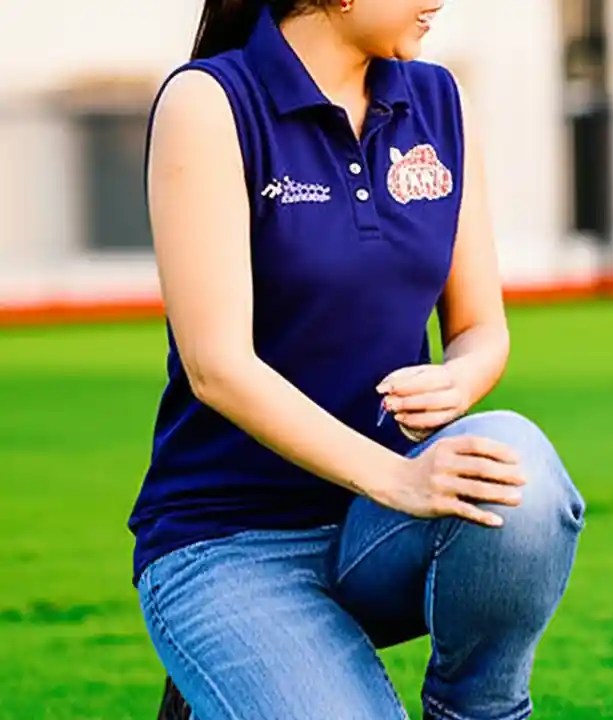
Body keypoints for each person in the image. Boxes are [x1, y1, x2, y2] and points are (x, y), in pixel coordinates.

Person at [129, 1, 586, 718]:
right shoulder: (209, 102)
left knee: (515, 465)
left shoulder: (437, 99)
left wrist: (457, 377)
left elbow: (480, 329)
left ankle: (479, 709)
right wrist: (398, 478)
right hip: (230, 541)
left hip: (380, 532)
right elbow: (216, 367)